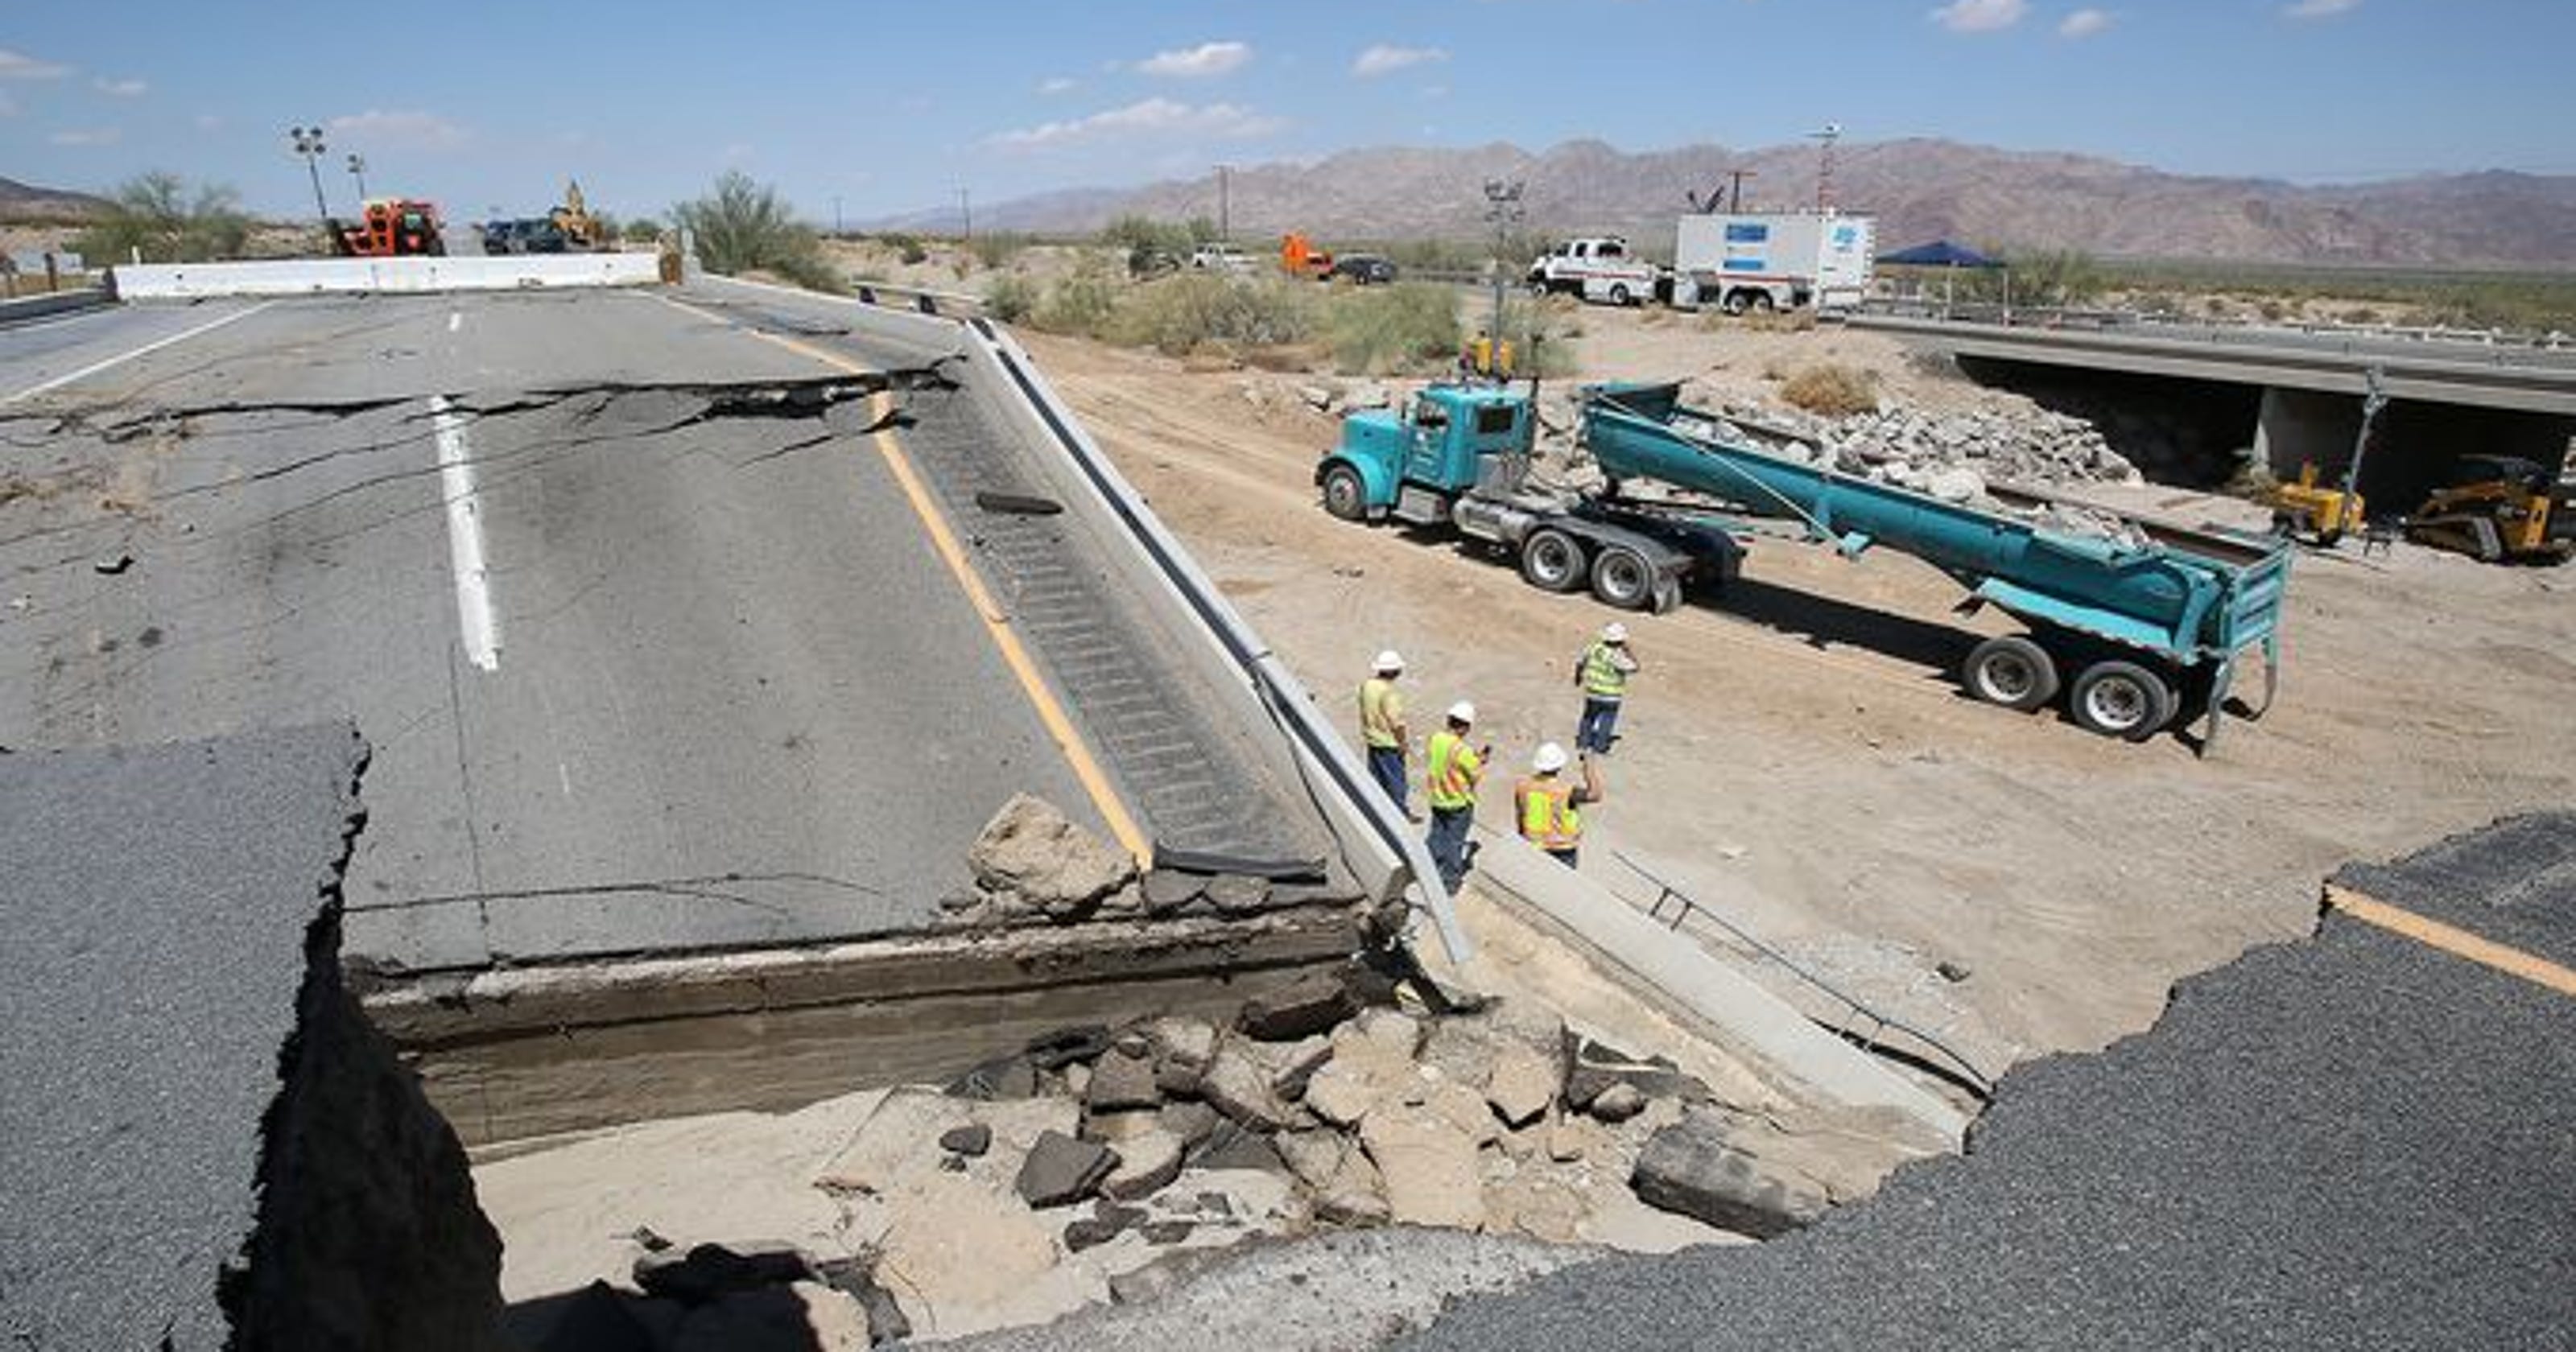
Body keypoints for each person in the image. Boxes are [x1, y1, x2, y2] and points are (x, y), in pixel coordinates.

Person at [1422, 701, 1488, 893]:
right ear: (1466, 727)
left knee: (1436, 835)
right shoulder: (1462, 751)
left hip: (1437, 797)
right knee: (1454, 842)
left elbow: (1444, 760)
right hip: (1458, 802)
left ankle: (1427, 869)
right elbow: (1475, 774)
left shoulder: (1436, 739)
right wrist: (1480, 761)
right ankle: (1450, 881)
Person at [1514, 743, 1604, 869]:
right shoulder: (1566, 790)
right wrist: (1588, 767)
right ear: (1559, 766)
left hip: (1534, 845)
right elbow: (1596, 794)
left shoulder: (1523, 786)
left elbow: (1520, 814)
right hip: (1563, 849)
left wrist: (1523, 840)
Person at [1573, 621, 1641, 756]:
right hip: (1611, 695)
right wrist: (1629, 652)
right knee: (1607, 721)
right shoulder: (1617, 656)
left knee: (1588, 717)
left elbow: (1580, 662)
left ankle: (1582, 743)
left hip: (1592, 691)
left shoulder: (1592, 648)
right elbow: (1635, 667)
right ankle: (1600, 747)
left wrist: (1578, 677)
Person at [1357, 649, 1411, 816]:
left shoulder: (1366, 686)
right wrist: (1402, 744)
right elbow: (1397, 724)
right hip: (1389, 743)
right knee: (1396, 783)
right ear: (1395, 671)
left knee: (1377, 778)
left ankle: (1376, 810)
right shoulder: (1389, 693)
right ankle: (1399, 814)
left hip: (1372, 739)